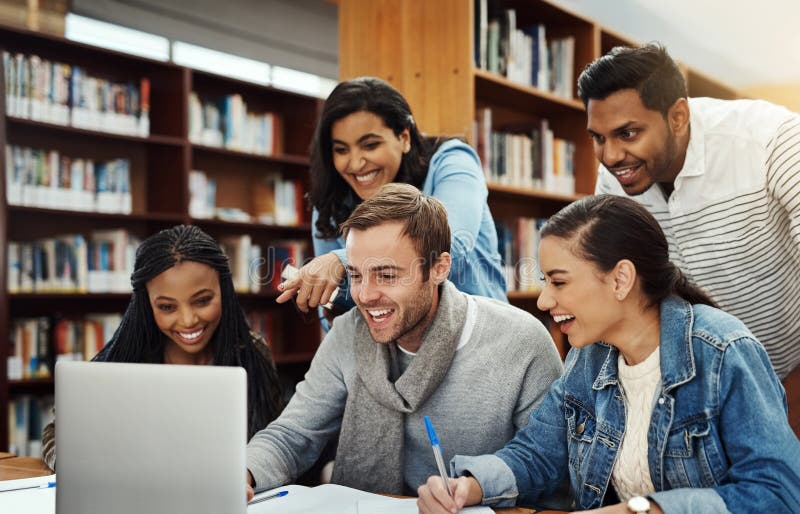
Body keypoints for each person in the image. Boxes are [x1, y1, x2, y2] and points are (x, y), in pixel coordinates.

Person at [417, 194, 800, 514]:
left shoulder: (724, 352)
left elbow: (779, 494)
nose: (545, 299)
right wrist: (470, 486)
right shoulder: (589, 355)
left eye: (559, 281)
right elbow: (538, 455)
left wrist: (644, 509)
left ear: (620, 279)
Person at [246, 183, 562, 496]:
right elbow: (292, 434)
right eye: (355, 275)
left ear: (439, 268)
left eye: (387, 275)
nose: (365, 296)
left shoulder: (521, 341)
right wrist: (244, 474)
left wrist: (474, 486)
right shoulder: (347, 333)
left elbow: (549, 463)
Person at [578, 43, 800, 432]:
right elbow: (619, 291)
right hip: (707, 383)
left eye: (627, 133)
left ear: (677, 116)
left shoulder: (771, 139)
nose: (610, 156)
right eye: (598, 137)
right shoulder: (614, 177)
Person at [41, 225, 283, 470]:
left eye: (202, 301)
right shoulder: (129, 358)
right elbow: (58, 434)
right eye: (167, 307)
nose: (188, 320)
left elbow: (277, 439)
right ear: (147, 305)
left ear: (225, 292)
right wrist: (83, 467)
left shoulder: (251, 351)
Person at [276, 76, 507, 322]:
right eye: (341, 150)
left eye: (370, 145)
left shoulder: (451, 160)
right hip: (392, 350)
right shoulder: (333, 198)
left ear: (404, 138)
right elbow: (342, 306)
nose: (355, 164)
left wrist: (342, 262)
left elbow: (451, 244)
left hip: (481, 333)